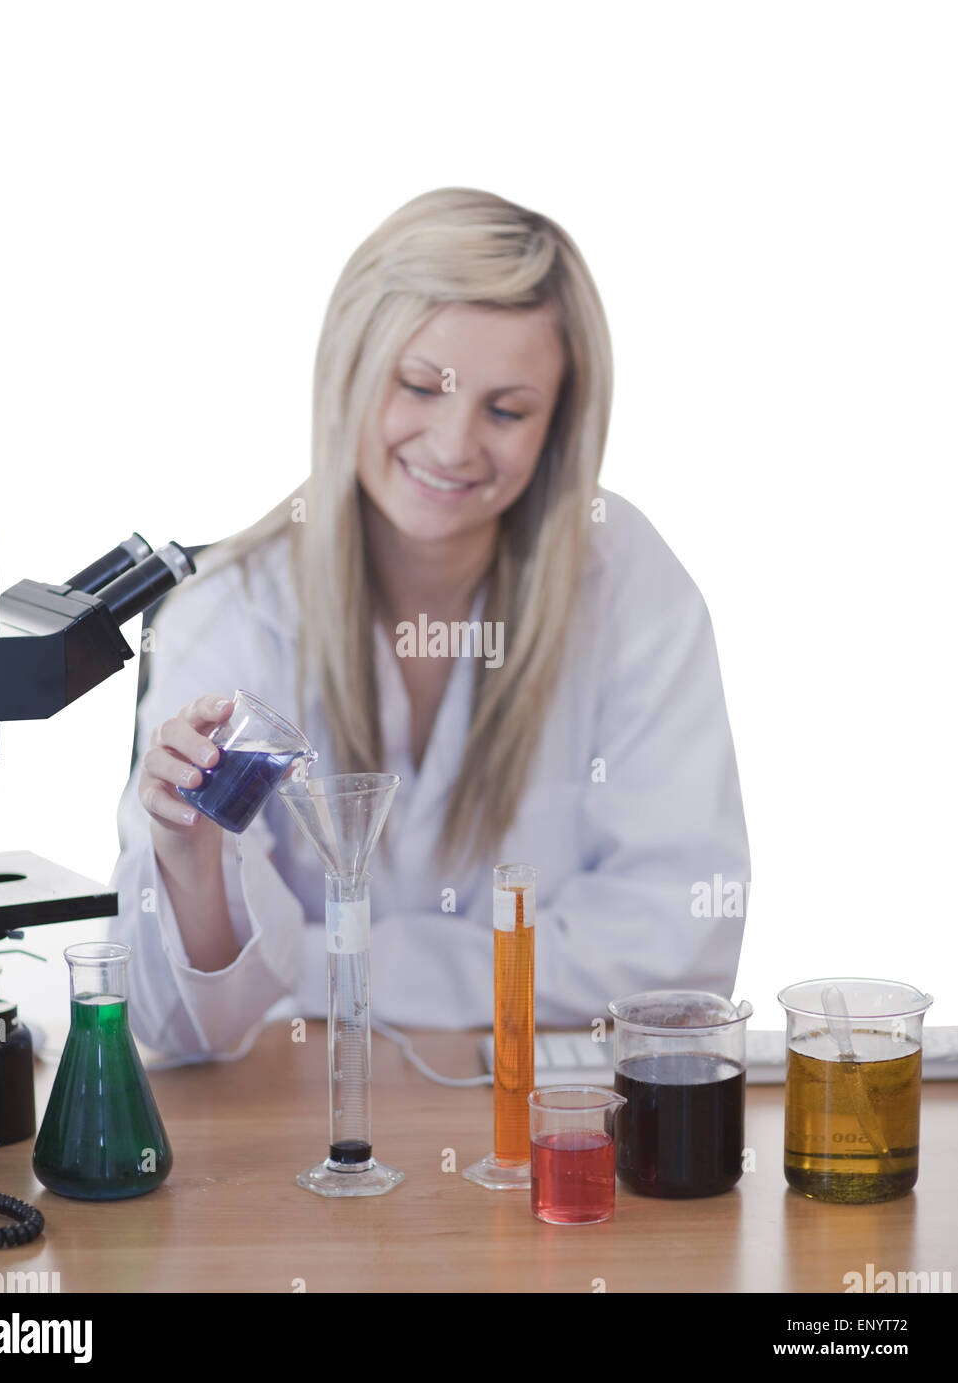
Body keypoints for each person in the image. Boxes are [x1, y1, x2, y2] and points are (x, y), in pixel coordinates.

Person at [109, 186, 750, 1059]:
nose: (452, 445)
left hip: (548, 1125)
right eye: (419, 386)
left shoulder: (624, 576)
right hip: (299, 1132)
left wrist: (322, 963)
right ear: (347, 372)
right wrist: (185, 857)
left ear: (558, 423)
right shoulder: (230, 610)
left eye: (506, 409)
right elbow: (189, 1031)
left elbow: (677, 954)